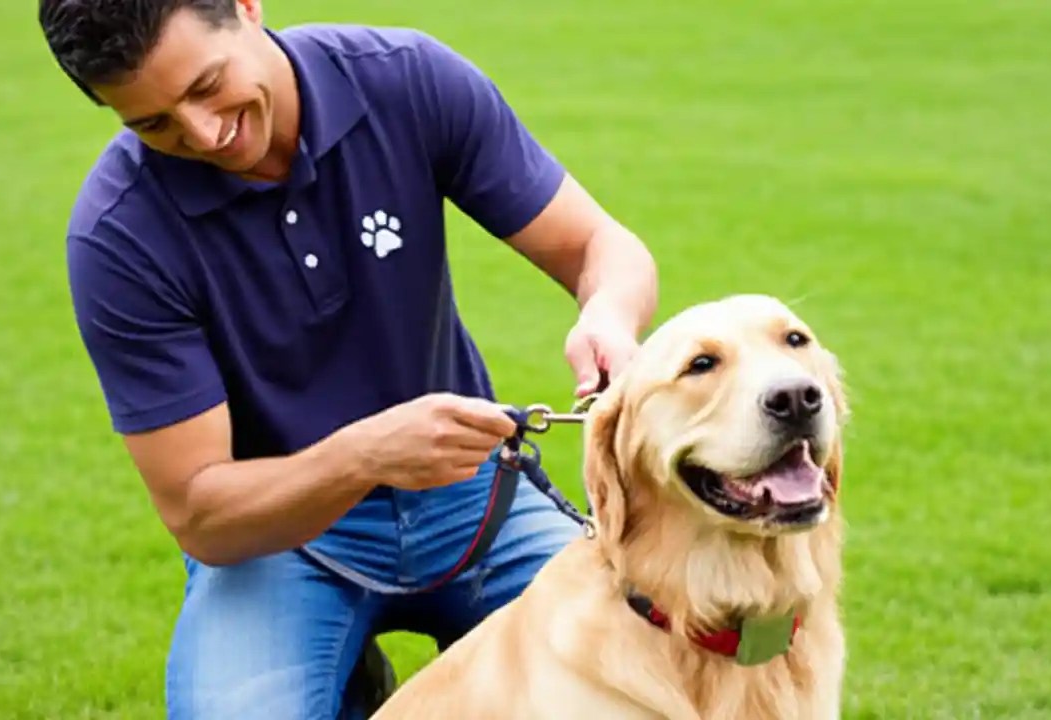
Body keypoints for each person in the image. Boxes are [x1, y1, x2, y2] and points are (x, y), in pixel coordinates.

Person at [37, 0, 658, 718]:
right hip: (278, 546)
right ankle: (342, 676)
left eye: (206, 87)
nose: (203, 134)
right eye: (153, 123)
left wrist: (607, 314)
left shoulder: (404, 82)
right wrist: (366, 455)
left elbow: (600, 249)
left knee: (642, 664)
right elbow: (200, 512)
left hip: (477, 503)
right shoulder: (119, 235)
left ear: (246, 7)